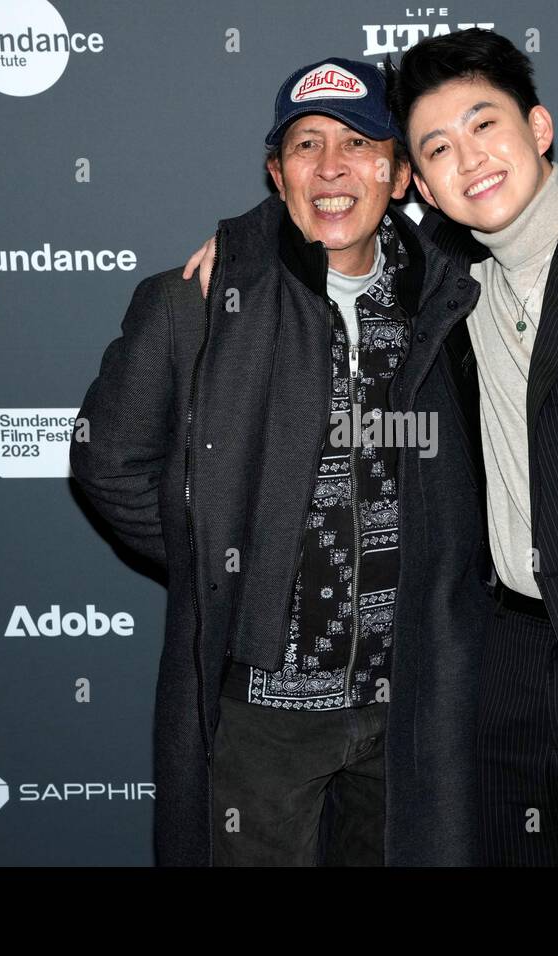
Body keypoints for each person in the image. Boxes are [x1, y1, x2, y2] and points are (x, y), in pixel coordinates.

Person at [187, 30, 558, 866]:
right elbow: (335, 202)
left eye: (484, 126)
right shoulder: (446, 280)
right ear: (421, 181)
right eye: (438, 148)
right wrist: (246, 243)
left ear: (539, 128)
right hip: (500, 674)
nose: (470, 160)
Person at [71, 56, 491, 866]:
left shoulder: (449, 307)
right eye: (306, 145)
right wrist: (227, 560)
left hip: (411, 708)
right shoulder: (197, 303)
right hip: (262, 715)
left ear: (401, 174)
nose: (331, 167)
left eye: (359, 143)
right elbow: (106, 461)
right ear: (277, 174)